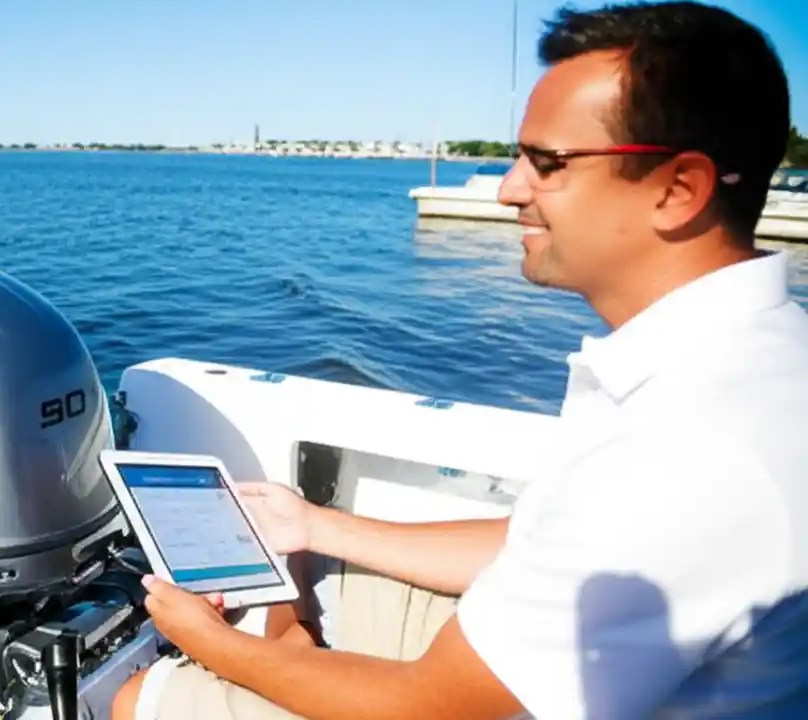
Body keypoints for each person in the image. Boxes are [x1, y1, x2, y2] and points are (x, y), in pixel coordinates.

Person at [112, 1, 808, 717]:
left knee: (140, 694)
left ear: (678, 189)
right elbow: (540, 539)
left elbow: (429, 707)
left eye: (547, 163)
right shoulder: (741, 358)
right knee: (310, 568)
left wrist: (204, 640)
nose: (509, 189)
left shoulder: (689, 444)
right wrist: (317, 525)